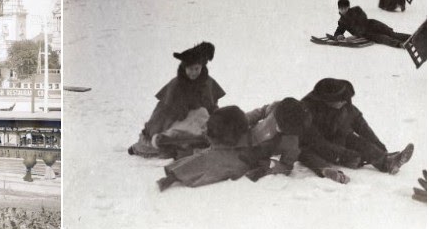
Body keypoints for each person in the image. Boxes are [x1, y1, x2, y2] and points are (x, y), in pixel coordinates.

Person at [157, 98, 309, 191]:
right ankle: (173, 144)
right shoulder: (277, 108)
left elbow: (287, 166)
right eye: (278, 123)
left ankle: (174, 175)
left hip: (250, 156)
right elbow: (260, 112)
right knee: (209, 135)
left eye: (282, 128)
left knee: (217, 162)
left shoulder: (292, 142)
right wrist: (242, 122)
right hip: (241, 134)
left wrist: (269, 164)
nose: (277, 128)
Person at [298, 78, 415, 178]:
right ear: (328, 100)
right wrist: (343, 155)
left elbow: (361, 125)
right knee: (351, 156)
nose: (344, 103)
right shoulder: (307, 109)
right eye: (341, 101)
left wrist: (378, 146)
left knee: (357, 141)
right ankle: (377, 160)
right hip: (312, 146)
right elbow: (316, 142)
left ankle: (388, 162)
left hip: (335, 138)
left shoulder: (344, 104)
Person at [129, 42, 224, 158]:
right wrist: (152, 130)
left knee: (203, 115)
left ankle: (189, 142)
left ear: (202, 67)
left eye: (196, 69)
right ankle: (168, 140)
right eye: (190, 69)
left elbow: (212, 105)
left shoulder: (207, 82)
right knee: (185, 129)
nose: (193, 73)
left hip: (199, 120)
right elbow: (162, 112)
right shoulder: (176, 84)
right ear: (184, 68)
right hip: (176, 120)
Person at [333, 0, 411, 48]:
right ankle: (400, 44)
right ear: (338, 9)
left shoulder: (356, 10)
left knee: (392, 34)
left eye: (344, 8)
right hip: (368, 34)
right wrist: (339, 36)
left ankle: (412, 38)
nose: (343, 10)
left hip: (373, 25)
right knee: (383, 38)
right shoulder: (342, 21)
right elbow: (338, 31)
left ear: (348, 7)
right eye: (341, 8)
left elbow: (363, 19)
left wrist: (356, 35)